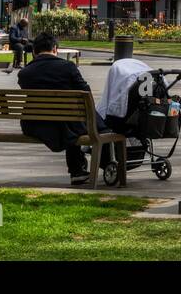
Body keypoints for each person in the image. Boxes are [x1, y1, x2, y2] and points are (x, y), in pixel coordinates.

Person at [18, 31, 111, 185]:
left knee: (70, 121)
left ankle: (78, 170)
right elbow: (85, 93)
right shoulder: (68, 67)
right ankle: (89, 168)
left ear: (34, 51)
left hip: (34, 124)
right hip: (67, 124)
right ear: (55, 49)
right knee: (88, 124)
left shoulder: (25, 73)